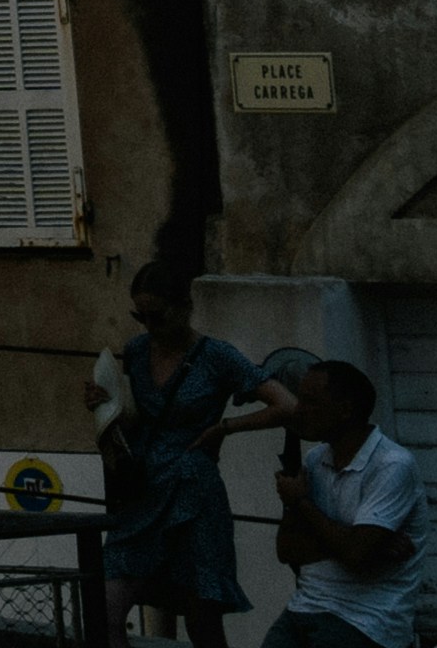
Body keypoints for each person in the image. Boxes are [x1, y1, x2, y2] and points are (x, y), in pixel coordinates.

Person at [93, 264, 261, 648]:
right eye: (141, 317)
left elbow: (285, 404)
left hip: (192, 489)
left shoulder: (217, 355)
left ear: (184, 307)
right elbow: (137, 415)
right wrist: (106, 406)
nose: (150, 326)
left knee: (202, 619)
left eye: (158, 316)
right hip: (144, 486)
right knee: (106, 608)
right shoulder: (137, 351)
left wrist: (226, 428)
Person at [239, 356, 421, 648]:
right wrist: (360, 543)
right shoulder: (315, 459)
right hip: (305, 607)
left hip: (368, 620)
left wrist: (301, 504)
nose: (299, 410)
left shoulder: (391, 465)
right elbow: (287, 549)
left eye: (311, 401)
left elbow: (354, 554)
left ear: (345, 410)